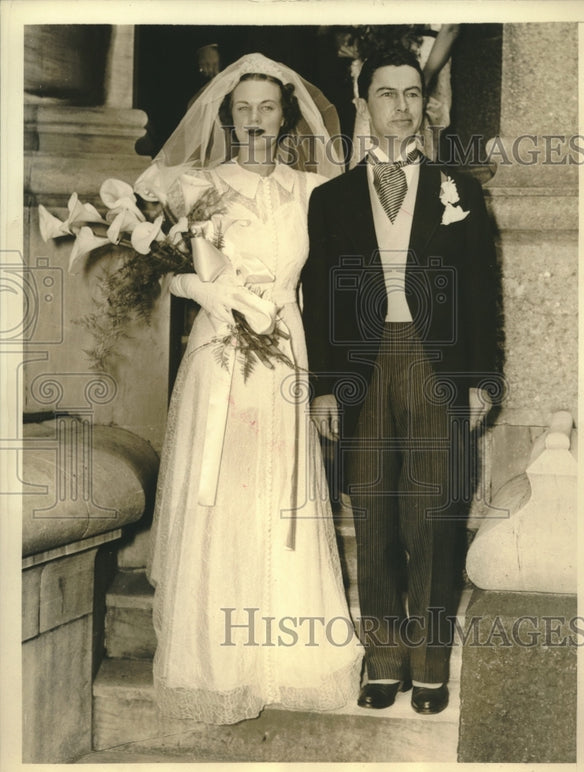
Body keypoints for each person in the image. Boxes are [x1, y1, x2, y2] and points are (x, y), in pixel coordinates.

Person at [135, 53, 362, 726]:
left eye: (268, 107)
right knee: (222, 491)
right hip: (221, 352)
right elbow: (159, 270)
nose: (256, 120)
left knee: (279, 493)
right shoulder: (198, 183)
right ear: (228, 117)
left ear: (285, 114)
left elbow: (330, 278)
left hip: (286, 352)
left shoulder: (314, 189)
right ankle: (214, 661)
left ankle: (287, 657)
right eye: (244, 109)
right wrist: (206, 289)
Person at [301, 48, 499, 715]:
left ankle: (431, 661)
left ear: (425, 103)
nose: (402, 107)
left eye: (413, 93)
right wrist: (326, 386)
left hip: (435, 362)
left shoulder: (459, 191)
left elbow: (481, 293)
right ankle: (383, 657)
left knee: (436, 515)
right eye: (387, 94)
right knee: (375, 512)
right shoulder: (330, 200)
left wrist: (479, 380)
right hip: (362, 368)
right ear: (364, 103)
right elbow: (323, 302)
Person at [348, 24, 461, 166]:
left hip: (425, 54)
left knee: (411, 128)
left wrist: (423, 78)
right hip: (378, 48)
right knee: (371, 126)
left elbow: (451, 28)